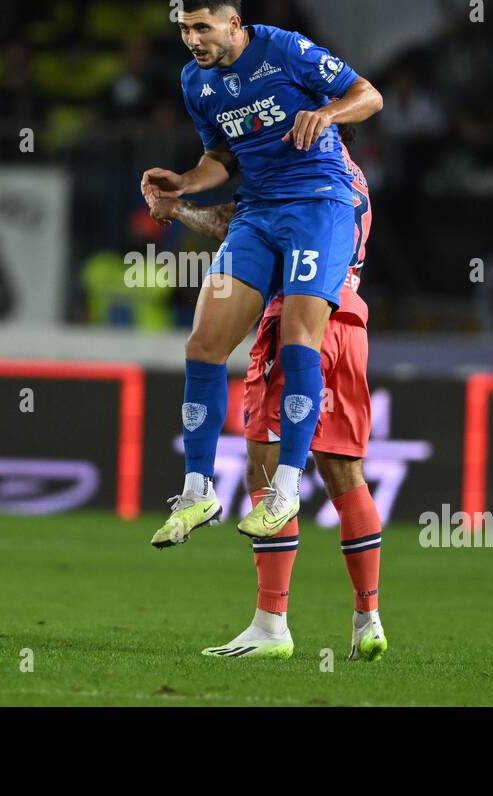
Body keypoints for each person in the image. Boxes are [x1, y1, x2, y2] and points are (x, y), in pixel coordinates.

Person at [142, 0, 382, 549]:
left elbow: (368, 96)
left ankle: (286, 489)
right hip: (258, 211)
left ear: (233, 23)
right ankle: (199, 489)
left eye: (202, 27)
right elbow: (221, 156)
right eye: (184, 29)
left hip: (319, 204)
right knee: (204, 344)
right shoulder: (195, 82)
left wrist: (328, 115)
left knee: (300, 339)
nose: (193, 39)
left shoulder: (284, 48)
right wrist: (184, 184)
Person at [147, 144, 385, 662]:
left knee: (263, 469)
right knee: (346, 476)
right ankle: (368, 619)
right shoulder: (349, 174)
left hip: (296, 317)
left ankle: (271, 623)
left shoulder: (292, 160)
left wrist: (180, 210)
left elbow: (245, 224)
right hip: (349, 318)